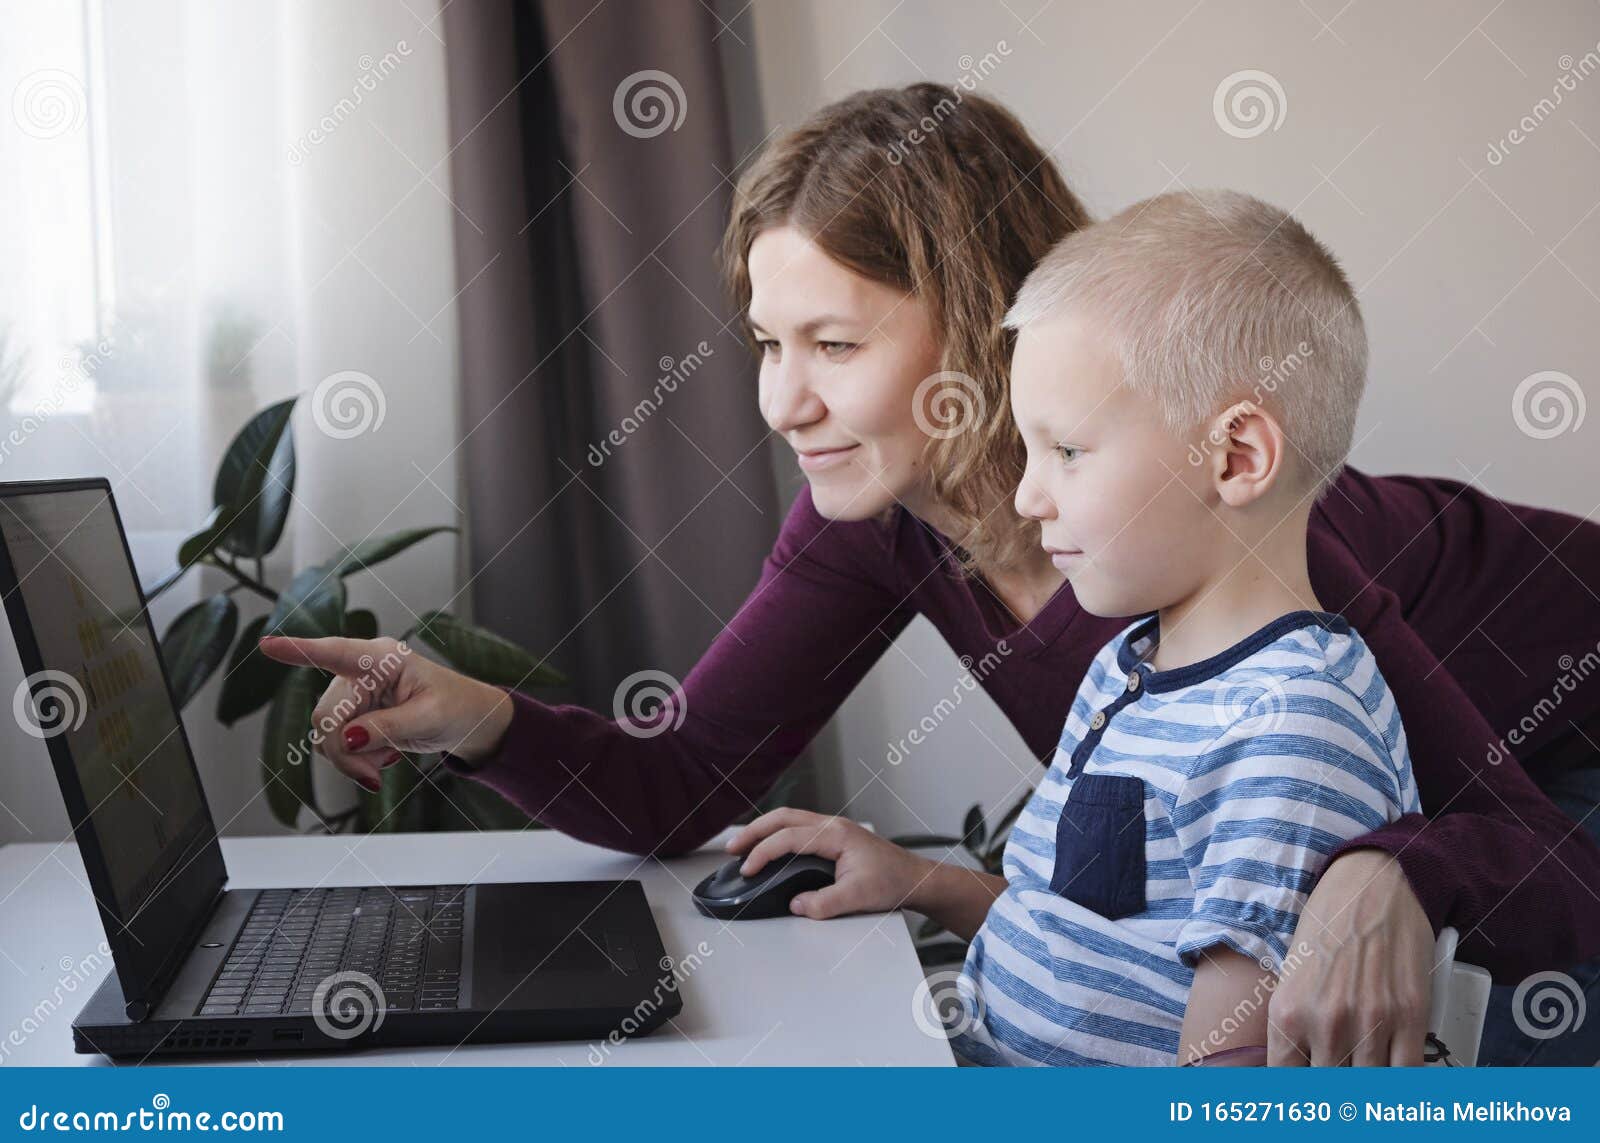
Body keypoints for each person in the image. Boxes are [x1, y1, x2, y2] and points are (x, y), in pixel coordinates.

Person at [259, 84, 1600, 1065]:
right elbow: (689, 780)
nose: (783, 403)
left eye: (834, 345)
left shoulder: (1246, 540)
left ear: (982, 324)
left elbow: (1551, 866)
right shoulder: (880, 515)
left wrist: (1393, 862)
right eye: (768, 343)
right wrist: (479, 715)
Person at [925, 187, 1415, 1065]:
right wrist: (913, 882)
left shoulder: (1293, 726)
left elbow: (1225, 1082)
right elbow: (1064, 916)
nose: (1028, 496)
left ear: (1235, 457)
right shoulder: (1128, 662)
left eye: (1066, 451)